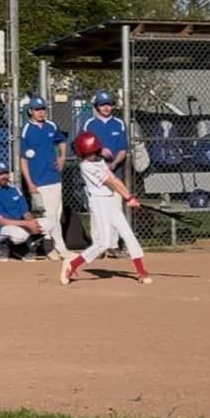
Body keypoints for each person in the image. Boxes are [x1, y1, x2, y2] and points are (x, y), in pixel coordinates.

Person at [60, 132, 152, 285]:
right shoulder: (86, 166)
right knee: (104, 242)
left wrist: (129, 197)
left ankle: (141, 271)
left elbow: (115, 179)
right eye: (87, 153)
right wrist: (128, 198)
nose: (91, 156)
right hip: (99, 202)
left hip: (110, 199)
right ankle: (73, 264)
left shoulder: (100, 160)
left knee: (128, 234)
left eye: (93, 152)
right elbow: (110, 182)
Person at [19, 95, 68, 261]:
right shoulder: (27, 130)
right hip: (39, 179)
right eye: (37, 110)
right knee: (49, 215)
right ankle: (57, 247)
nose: (40, 112)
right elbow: (23, 159)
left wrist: (62, 157)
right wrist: (30, 183)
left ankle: (51, 245)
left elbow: (62, 141)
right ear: (30, 111)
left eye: (42, 109)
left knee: (57, 213)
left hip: (54, 176)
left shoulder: (51, 126)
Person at [82, 90, 129, 256]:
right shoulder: (89, 124)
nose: (106, 107)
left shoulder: (119, 124)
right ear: (97, 107)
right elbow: (80, 146)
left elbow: (123, 149)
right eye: (102, 105)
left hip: (114, 172)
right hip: (95, 175)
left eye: (108, 104)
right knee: (97, 211)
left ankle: (113, 245)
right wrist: (99, 151)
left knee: (115, 209)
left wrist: (114, 163)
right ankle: (98, 246)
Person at [0, 161, 48, 262]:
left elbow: (25, 212)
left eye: (5, 173)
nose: (4, 176)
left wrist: (33, 223)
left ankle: (29, 245)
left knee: (48, 223)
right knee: (20, 234)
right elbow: (2, 221)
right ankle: (6, 247)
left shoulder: (14, 189)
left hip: (19, 224)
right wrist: (27, 224)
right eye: (0, 174)